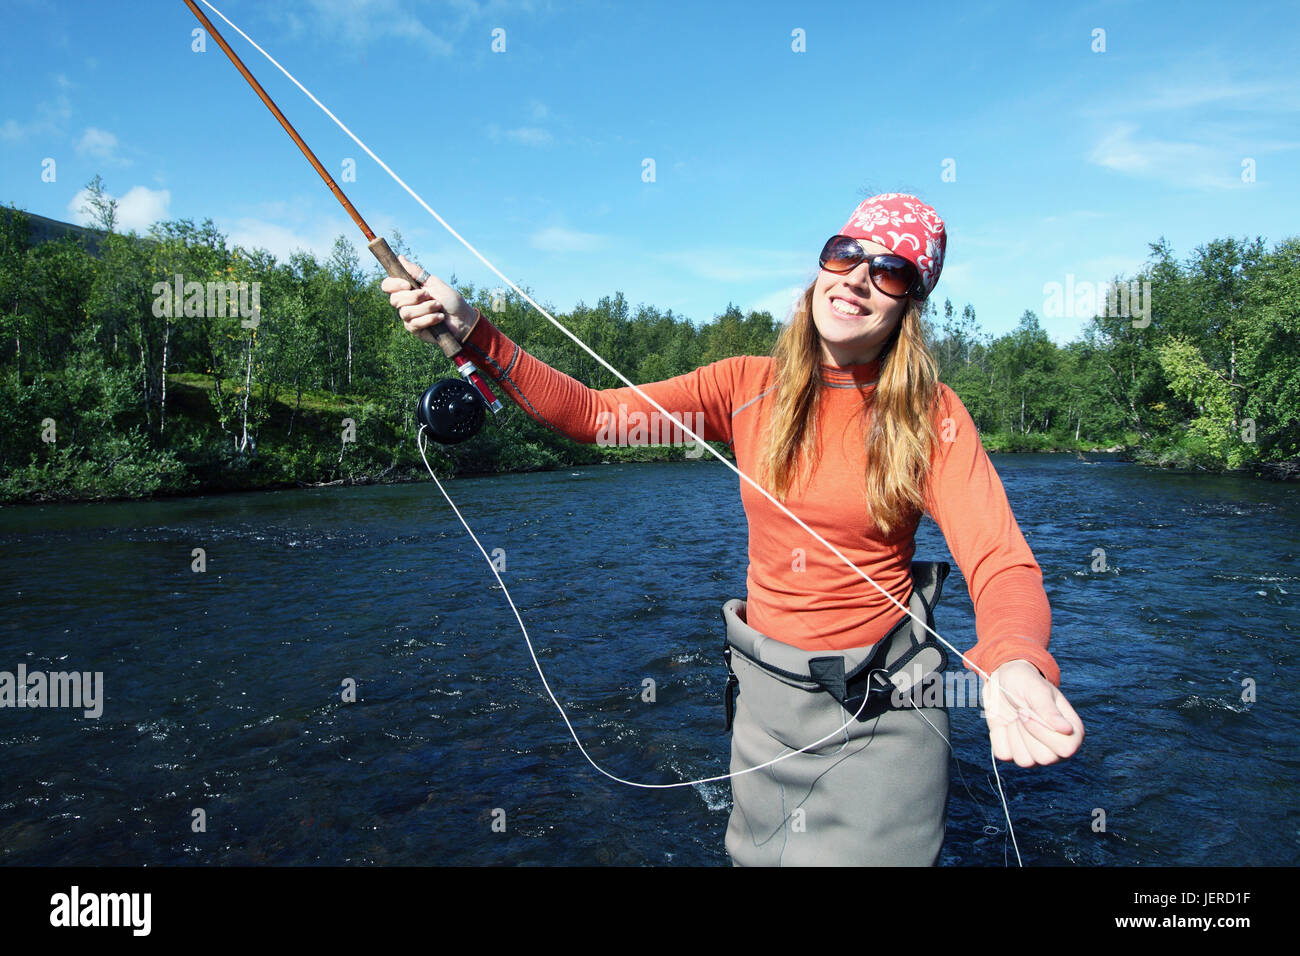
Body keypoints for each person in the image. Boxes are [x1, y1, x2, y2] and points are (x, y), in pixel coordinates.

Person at [383, 193, 1084, 866]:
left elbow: (1000, 560)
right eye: (845, 254)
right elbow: (592, 417)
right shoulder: (742, 385)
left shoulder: (931, 415)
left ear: (911, 303)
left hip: (883, 716)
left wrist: (1016, 657)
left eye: (891, 270)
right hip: (766, 705)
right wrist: (470, 327)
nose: (858, 280)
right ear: (821, 265)